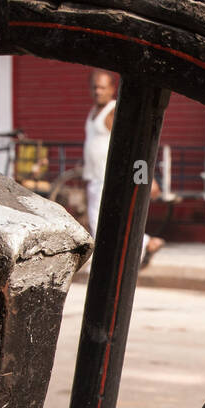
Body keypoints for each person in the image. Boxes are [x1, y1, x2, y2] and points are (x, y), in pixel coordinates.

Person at [83, 69, 164, 265]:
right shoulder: (94, 112)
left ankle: (142, 245)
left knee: (101, 221)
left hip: (109, 178)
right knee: (102, 221)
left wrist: (148, 177)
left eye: (102, 87)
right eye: (95, 87)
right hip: (95, 176)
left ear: (112, 89)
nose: (98, 91)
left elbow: (132, 143)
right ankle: (142, 246)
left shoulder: (113, 111)